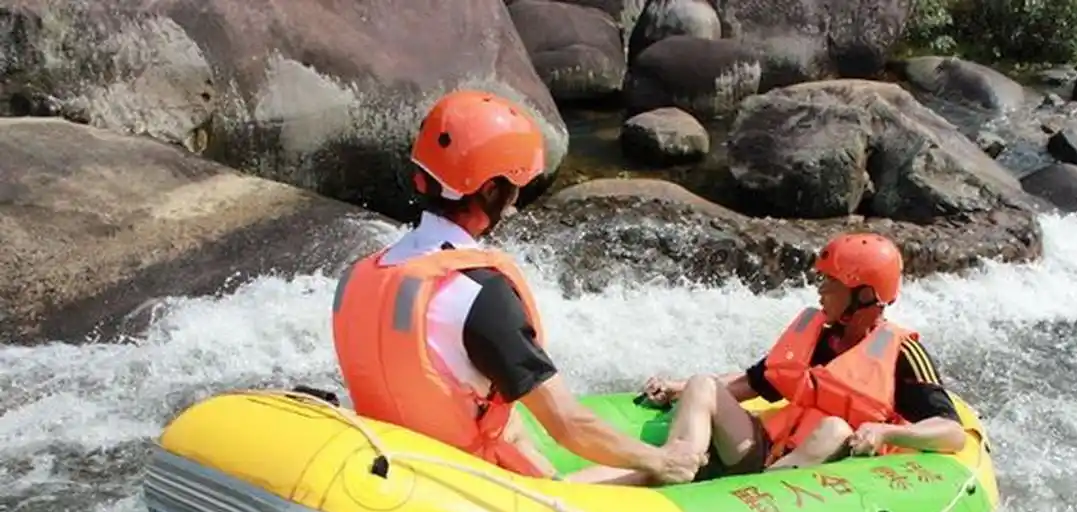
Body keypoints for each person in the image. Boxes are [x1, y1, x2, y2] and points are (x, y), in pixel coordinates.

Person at [330, 89, 703, 485]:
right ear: (490, 190)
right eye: (515, 185)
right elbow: (567, 424)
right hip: (462, 487)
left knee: (510, 422)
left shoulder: (359, 275)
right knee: (653, 472)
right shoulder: (478, 293)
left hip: (388, 463)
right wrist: (662, 461)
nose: (515, 200)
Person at [637, 232, 967, 481]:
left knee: (835, 428)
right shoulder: (818, 336)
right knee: (702, 385)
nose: (820, 289)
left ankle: (758, 492)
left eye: (831, 282)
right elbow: (751, 383)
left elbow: (951, 432)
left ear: (864, 295)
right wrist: (679, 388)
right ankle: (675, 465)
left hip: (825, 475)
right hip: (769, 446)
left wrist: (886, 433)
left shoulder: (903, 353)